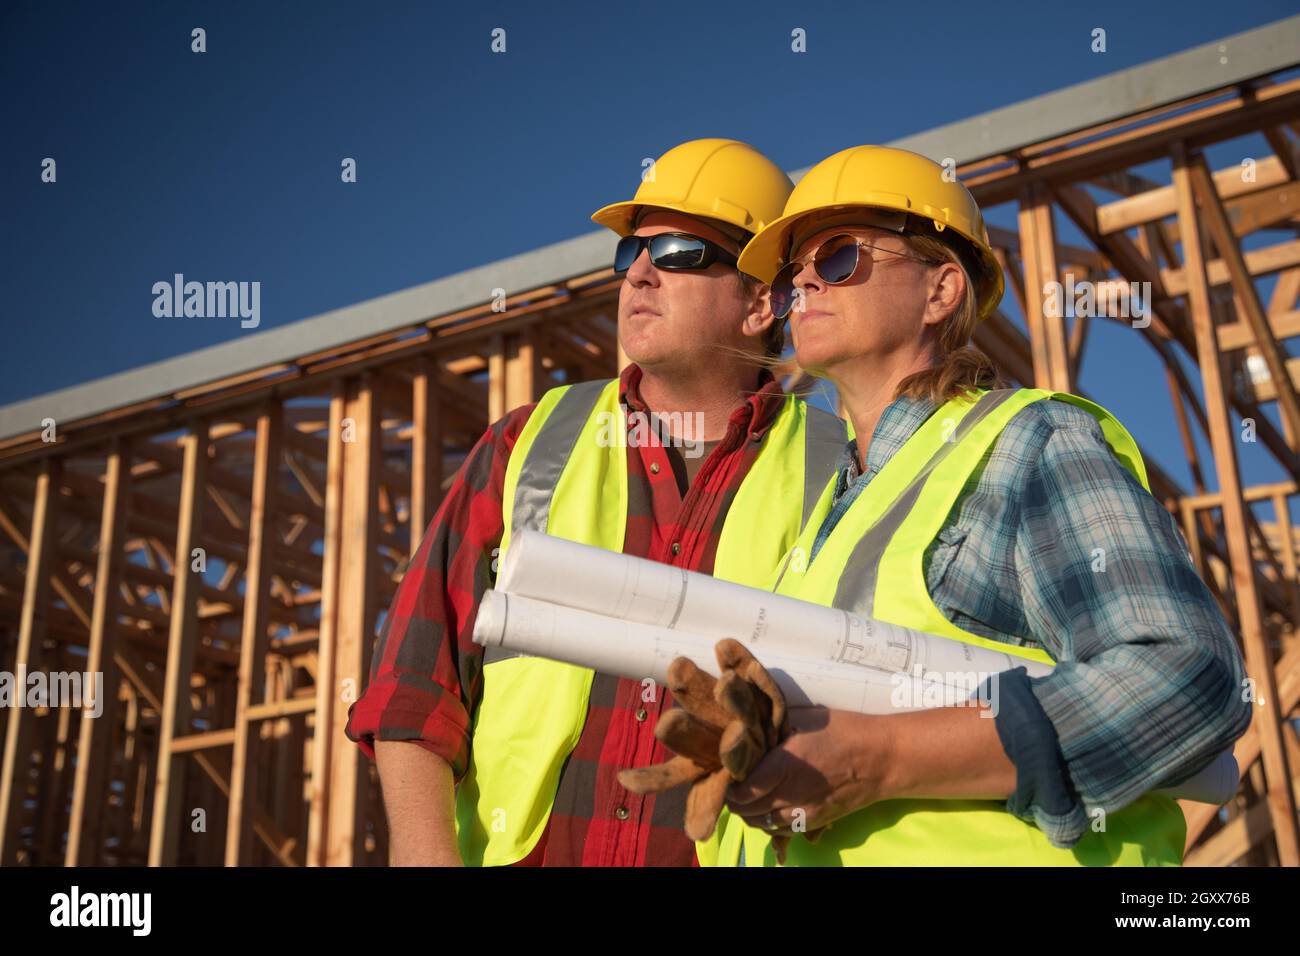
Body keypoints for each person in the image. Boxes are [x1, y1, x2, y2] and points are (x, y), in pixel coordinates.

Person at [720, 144, 1252, 866]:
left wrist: (886, 757)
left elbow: (1188, 676)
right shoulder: (828, 521)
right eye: (794, 271)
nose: (805, 280)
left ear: (940, 292)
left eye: (839, 255)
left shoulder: (1028, 443)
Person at [344, 138, 846, 866]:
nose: (638, 272)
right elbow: (415, 685)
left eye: (678, 252)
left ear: (760, 302)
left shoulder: (839, 466)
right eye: (628, 254)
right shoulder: (531, 443)